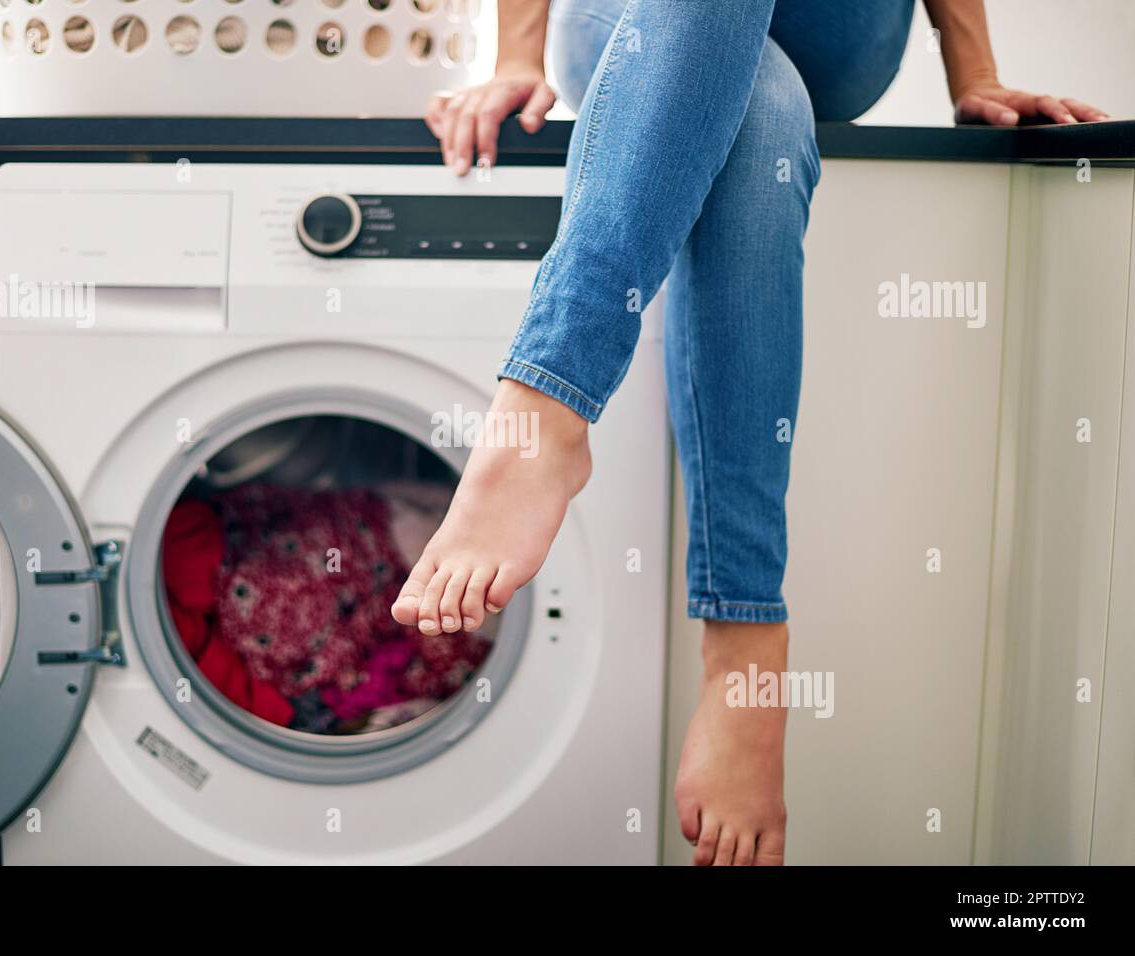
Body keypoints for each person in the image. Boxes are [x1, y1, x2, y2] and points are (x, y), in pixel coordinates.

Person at [391, 0, 1107, 866]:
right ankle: (748, 645)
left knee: (761, 78)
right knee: (761, 110)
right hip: (638, 18)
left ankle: (546, 404)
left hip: (842, 26)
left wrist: (975, 73)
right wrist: (515, 52)